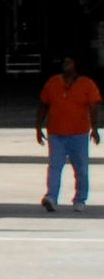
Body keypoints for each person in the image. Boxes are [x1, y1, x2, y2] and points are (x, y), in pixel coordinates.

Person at [38, 53, 98, 213]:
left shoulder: (87, 84)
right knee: (55, 167)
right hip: (56, 133)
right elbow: (43, 104)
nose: (65, 64)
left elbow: (93, 107)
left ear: (76, 64)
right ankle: (51, 197)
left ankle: (80, 199)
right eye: (64, 62)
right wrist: (38, 127)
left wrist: (95, 129)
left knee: (81, 169)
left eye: (69, 62)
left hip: (79, 134)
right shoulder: (53, 82)